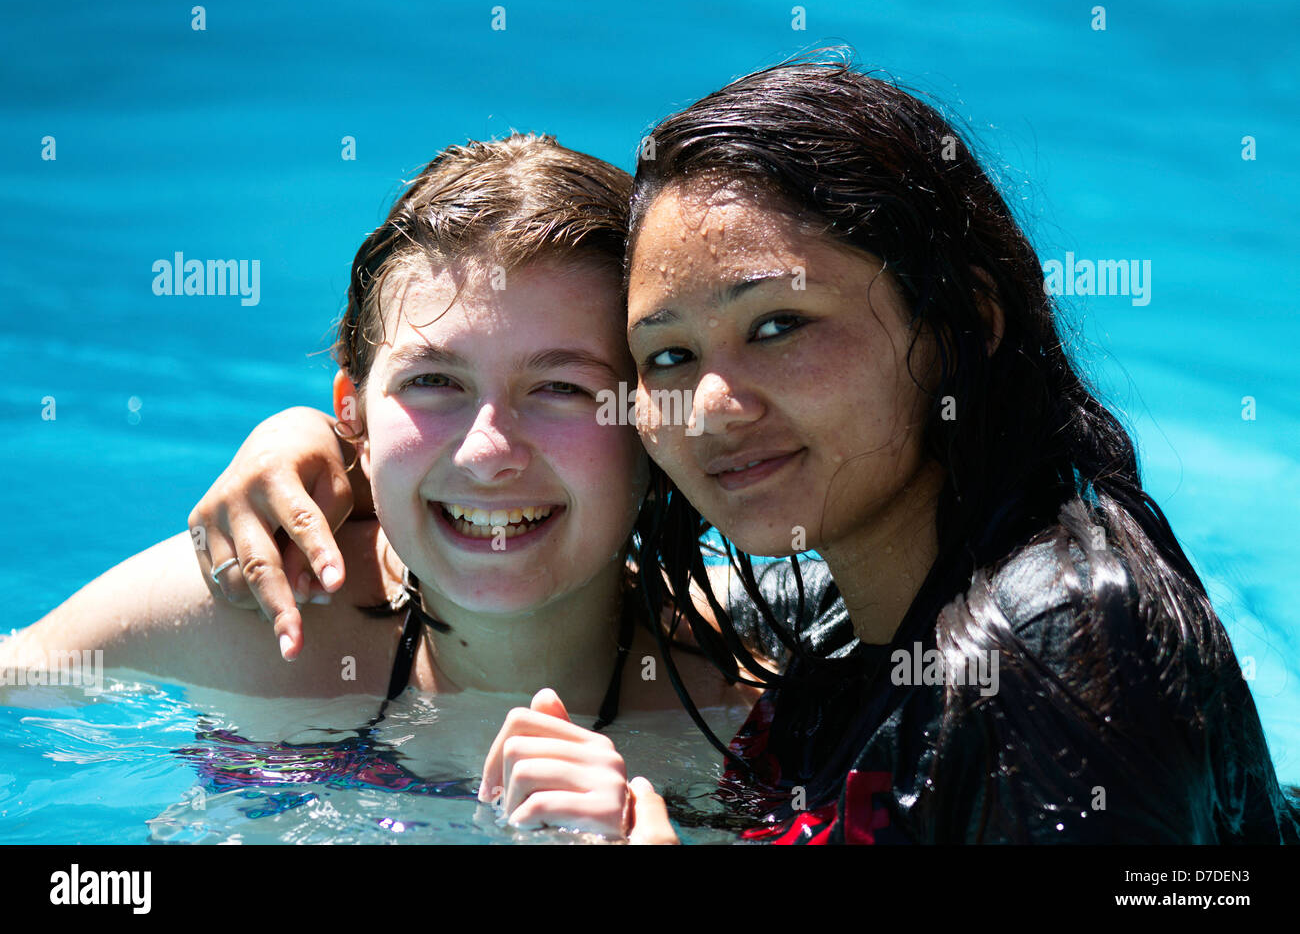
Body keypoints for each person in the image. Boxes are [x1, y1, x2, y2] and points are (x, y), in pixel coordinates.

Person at [190, 56, 1300, 844]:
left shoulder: (1063, 639)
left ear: (964, 319)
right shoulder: (836, 610)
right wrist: (328, 449)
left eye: (778, 325)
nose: (713, 405)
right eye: (665, 358)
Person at [1, 134, 758, 838]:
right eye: (433, 382)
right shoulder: (246, 617)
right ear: (351, 416)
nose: (489, 451)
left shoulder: (745, 701)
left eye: (561, 388)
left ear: (650, 422)